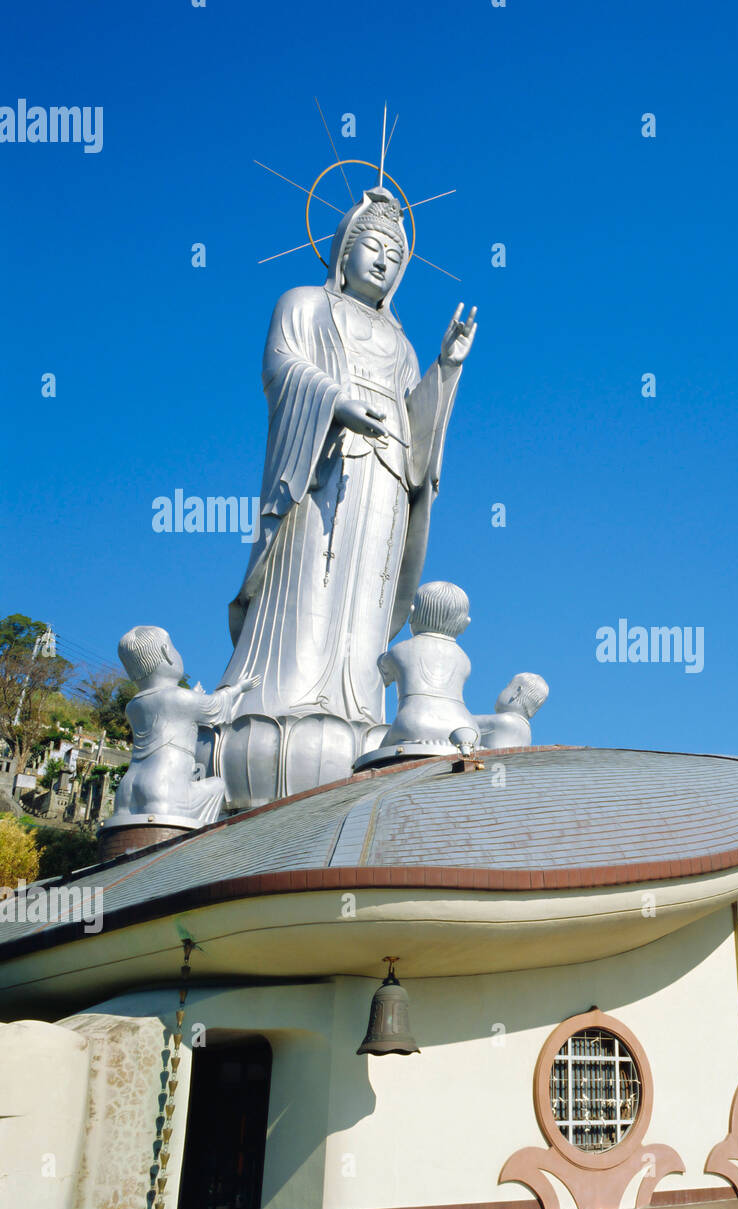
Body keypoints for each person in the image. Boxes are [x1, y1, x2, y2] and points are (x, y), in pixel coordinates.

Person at [217, 185, 476, 804]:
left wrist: (445, 368)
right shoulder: (303, 305)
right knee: (310, 587)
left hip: (383, 485)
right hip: (322, 471)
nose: (383, 261)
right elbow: (281, 368)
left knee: (364, 605)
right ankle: (281, 701)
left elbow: (417, 437)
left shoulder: (403, 344)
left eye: (395, 254)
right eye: (372, 246)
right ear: (342, 249)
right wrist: (333, 402)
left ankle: (358, 705)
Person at [111, 626, 257, 824]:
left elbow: (176, 712)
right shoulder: (178, 697)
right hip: (164, 786)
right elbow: (214, 706)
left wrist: (192, 699)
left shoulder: (133, 706)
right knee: (217, 786)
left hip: (126, 790)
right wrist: (239, 687)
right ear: (167, 653)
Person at [378, 582, 475, 749]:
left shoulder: (401, 649)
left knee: (376, 759)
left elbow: (383, 672)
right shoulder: (464, 659)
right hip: (465, 727)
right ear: (465, 624)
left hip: (415, 722)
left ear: (412, 613)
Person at [475, 673, 549, 749]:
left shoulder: (506, 721)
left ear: (518, 691)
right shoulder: (526, 732)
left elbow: (464, 721)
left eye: (507, 686)